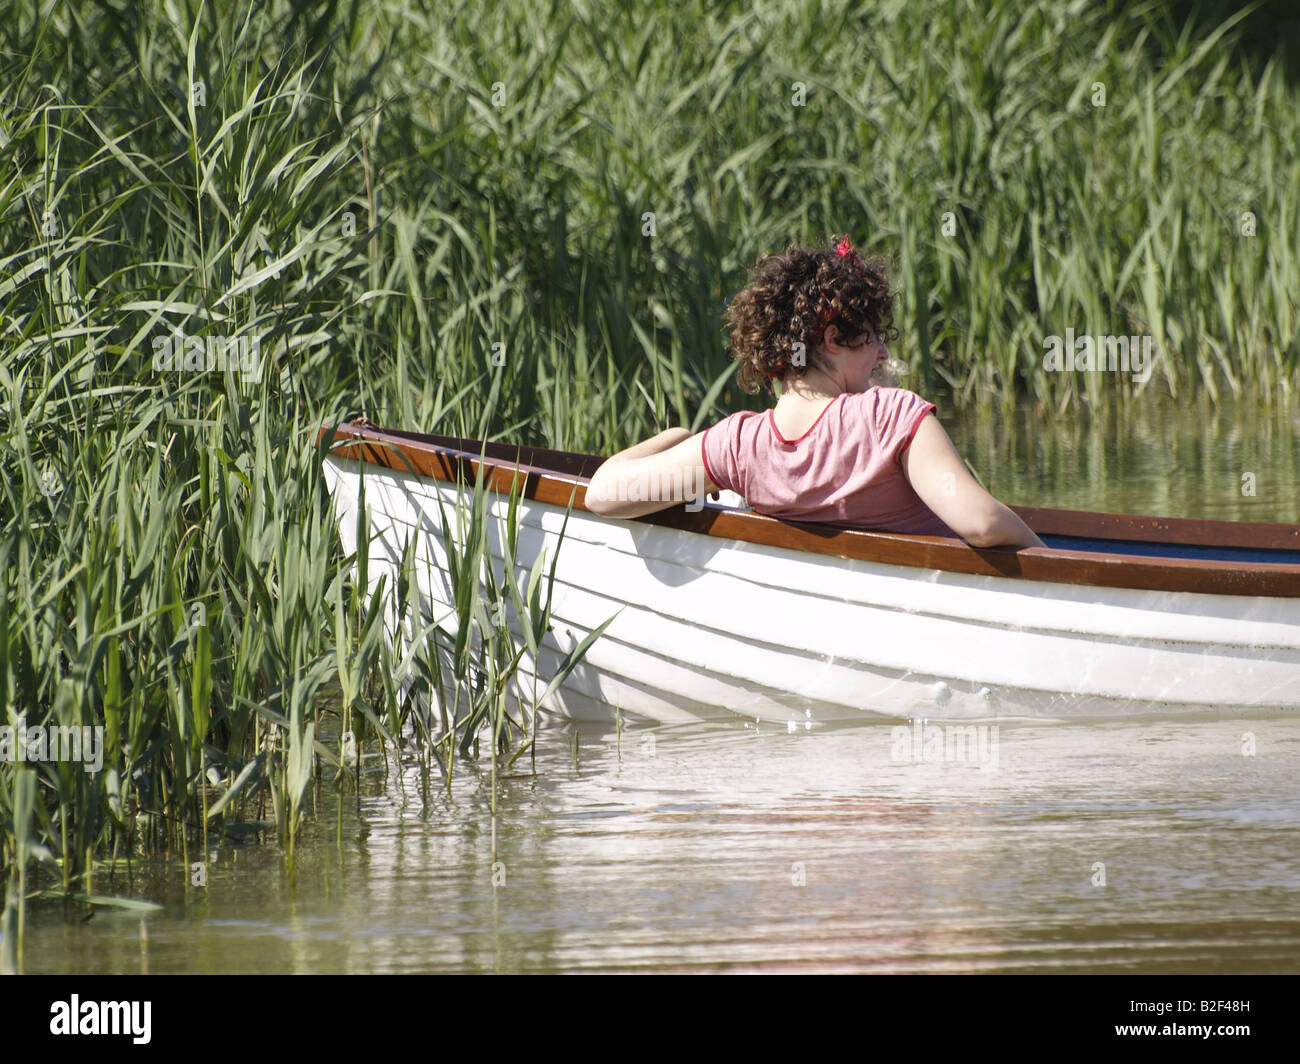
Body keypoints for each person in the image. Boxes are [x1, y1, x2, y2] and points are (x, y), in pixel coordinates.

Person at [585, 237, 1044, 550]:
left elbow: (602, 494)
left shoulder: (739, 445)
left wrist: (678, 435)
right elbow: (981, 523)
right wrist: (1046, 556)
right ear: (831, 340)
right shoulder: (892, 415)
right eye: (872, 336)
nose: (884, 353)